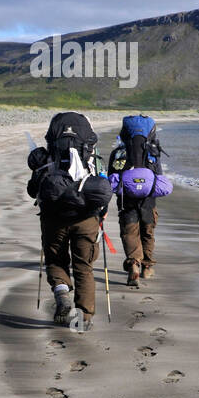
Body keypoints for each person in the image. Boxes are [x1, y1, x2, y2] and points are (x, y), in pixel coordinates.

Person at [26, 112, 112, 329]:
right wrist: (102, 213)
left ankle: (62, 292)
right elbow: (105, 188)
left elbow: (32, 190)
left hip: (53, 218)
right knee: (84, 267)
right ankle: (83, 317)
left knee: (56, 261)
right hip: (86, 218)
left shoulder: (46, 159)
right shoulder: (93, 159)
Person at [107, 114, 172, 288]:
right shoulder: (153, 151)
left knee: (130, 232)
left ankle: (134, 263)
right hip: (148, 200)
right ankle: (148, 267)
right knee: (147, 231)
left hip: (126, 199)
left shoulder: (119, 152)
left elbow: (110, 177)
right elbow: (158, 177)